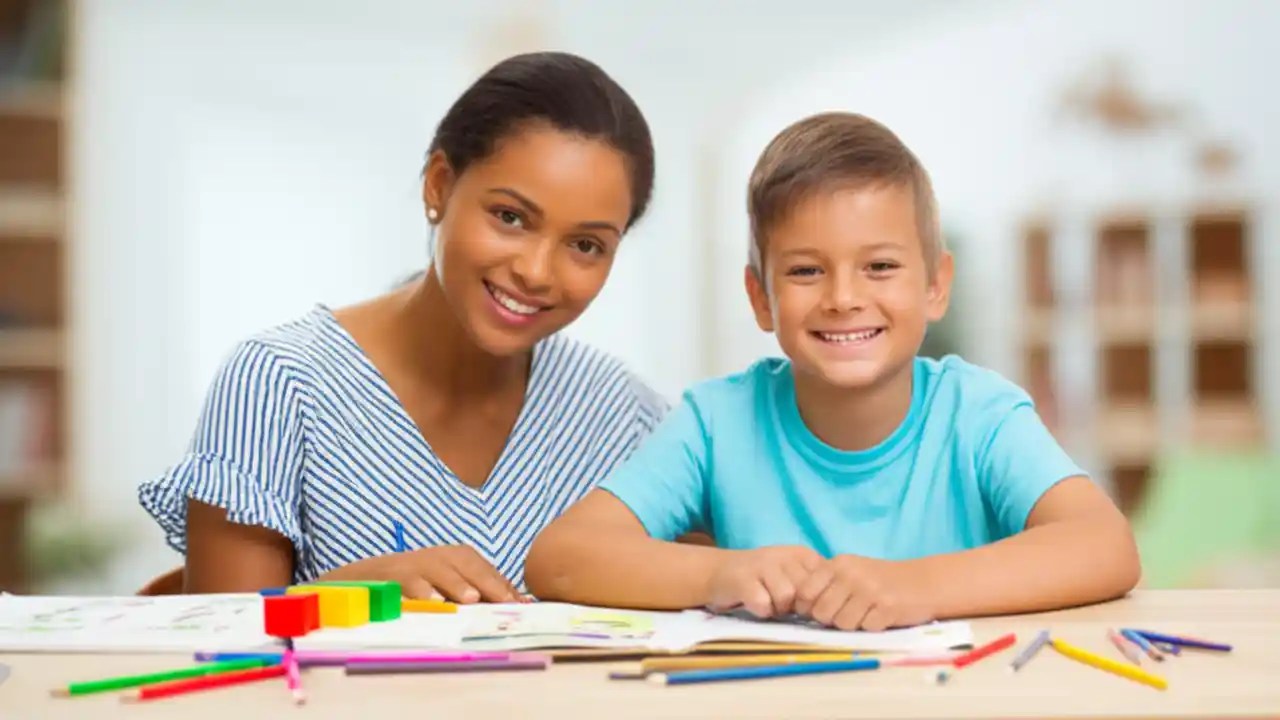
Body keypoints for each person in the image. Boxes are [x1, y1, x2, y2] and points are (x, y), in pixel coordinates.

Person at [526, 112, 1140, 629]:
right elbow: (562, 558)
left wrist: (917, 587)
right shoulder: (716, 422)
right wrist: (721, 572)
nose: (843, 298)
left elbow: (1105, 545)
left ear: (935, 285)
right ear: (761, 298)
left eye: (879, 267)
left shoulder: (978, 414)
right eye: (805, 271)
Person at [138, 51, 665, 602]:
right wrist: (355, 594)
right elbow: (226, 640)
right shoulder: (279, 385)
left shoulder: (628, 420)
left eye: (586, 245)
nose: (536, 272)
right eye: (509, 217)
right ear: (439, 186)